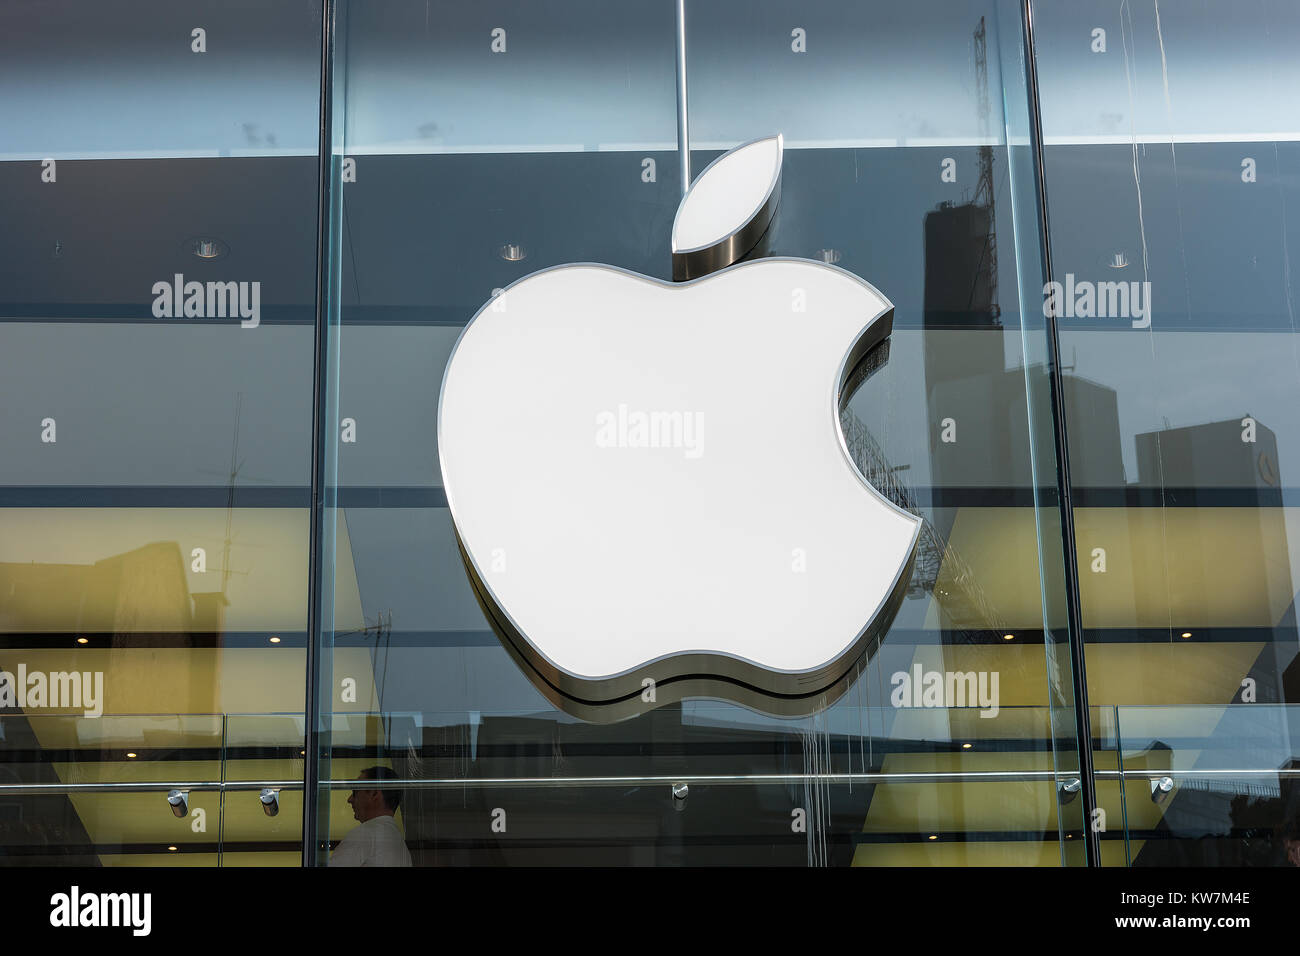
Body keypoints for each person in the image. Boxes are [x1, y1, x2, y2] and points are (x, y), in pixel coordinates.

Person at [328, 766, 413, 867]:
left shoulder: (364, 835)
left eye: (355, 792)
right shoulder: (400, 847)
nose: (349, 799)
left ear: (375, 794)